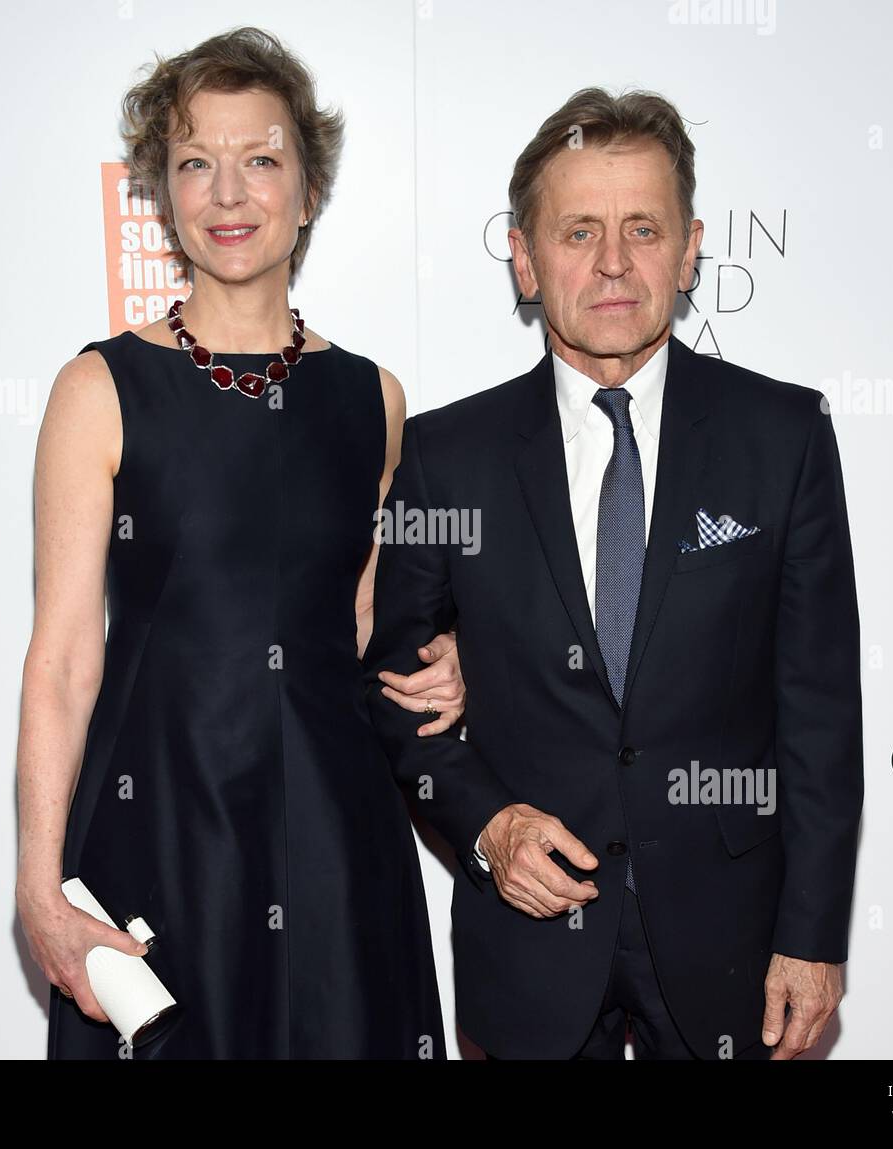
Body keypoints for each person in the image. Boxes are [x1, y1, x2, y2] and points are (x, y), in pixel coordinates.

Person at [363, 87, 863, 1060]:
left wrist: (811, 939)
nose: (612, 263)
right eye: (577, 230)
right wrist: (488, 823)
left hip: (735, 942)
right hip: (527, 936)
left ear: (688, 250)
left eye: (643, 228)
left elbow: (820, 713)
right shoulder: (442, 455)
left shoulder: (783, 437)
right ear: (522, 255)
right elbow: (396, 694)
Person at [15, 27, 458, 1059]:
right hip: (158, 819)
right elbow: (67, 656)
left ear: (307, 190)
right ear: (163, 193)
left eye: (260, 160)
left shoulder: (372, 399)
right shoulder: (99, 389)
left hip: (334, 826)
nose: (227, 193)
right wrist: (39, 888)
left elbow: (368, 627)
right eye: (194, 164)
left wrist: (450, 663)